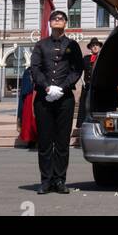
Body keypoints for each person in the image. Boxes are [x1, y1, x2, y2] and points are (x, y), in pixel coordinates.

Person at [31, 10, 83, 194]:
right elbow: (35, 69)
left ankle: (60, 180)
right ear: (50, 23)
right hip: (44, 99)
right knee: (45, 142)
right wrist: (46, 87)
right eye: (54, 18)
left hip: (65, 98)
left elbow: (77, 69)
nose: (57, 20)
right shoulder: (40, 45)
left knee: (61, 142)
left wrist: (62, 87)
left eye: (61, 18)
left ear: (65, 23)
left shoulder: (73, 45)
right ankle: (46, 180)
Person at [76, 38, 101, 129]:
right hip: (87, 87)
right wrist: (82, 81)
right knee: (85, 107)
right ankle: (83, 126)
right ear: (90, 48)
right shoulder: (86, 59)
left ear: (99, 47)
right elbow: (78, 70)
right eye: (92, 45)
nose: (94, 47)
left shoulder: (103, 58)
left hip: (98, 88)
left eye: (96, 45)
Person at [17, 65, 37, 149]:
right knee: (30, 120)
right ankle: (32, 140)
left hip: (31, 97)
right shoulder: (28, 72)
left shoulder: (28, 71)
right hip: (30, 97)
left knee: (31, 120)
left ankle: (32, 140)